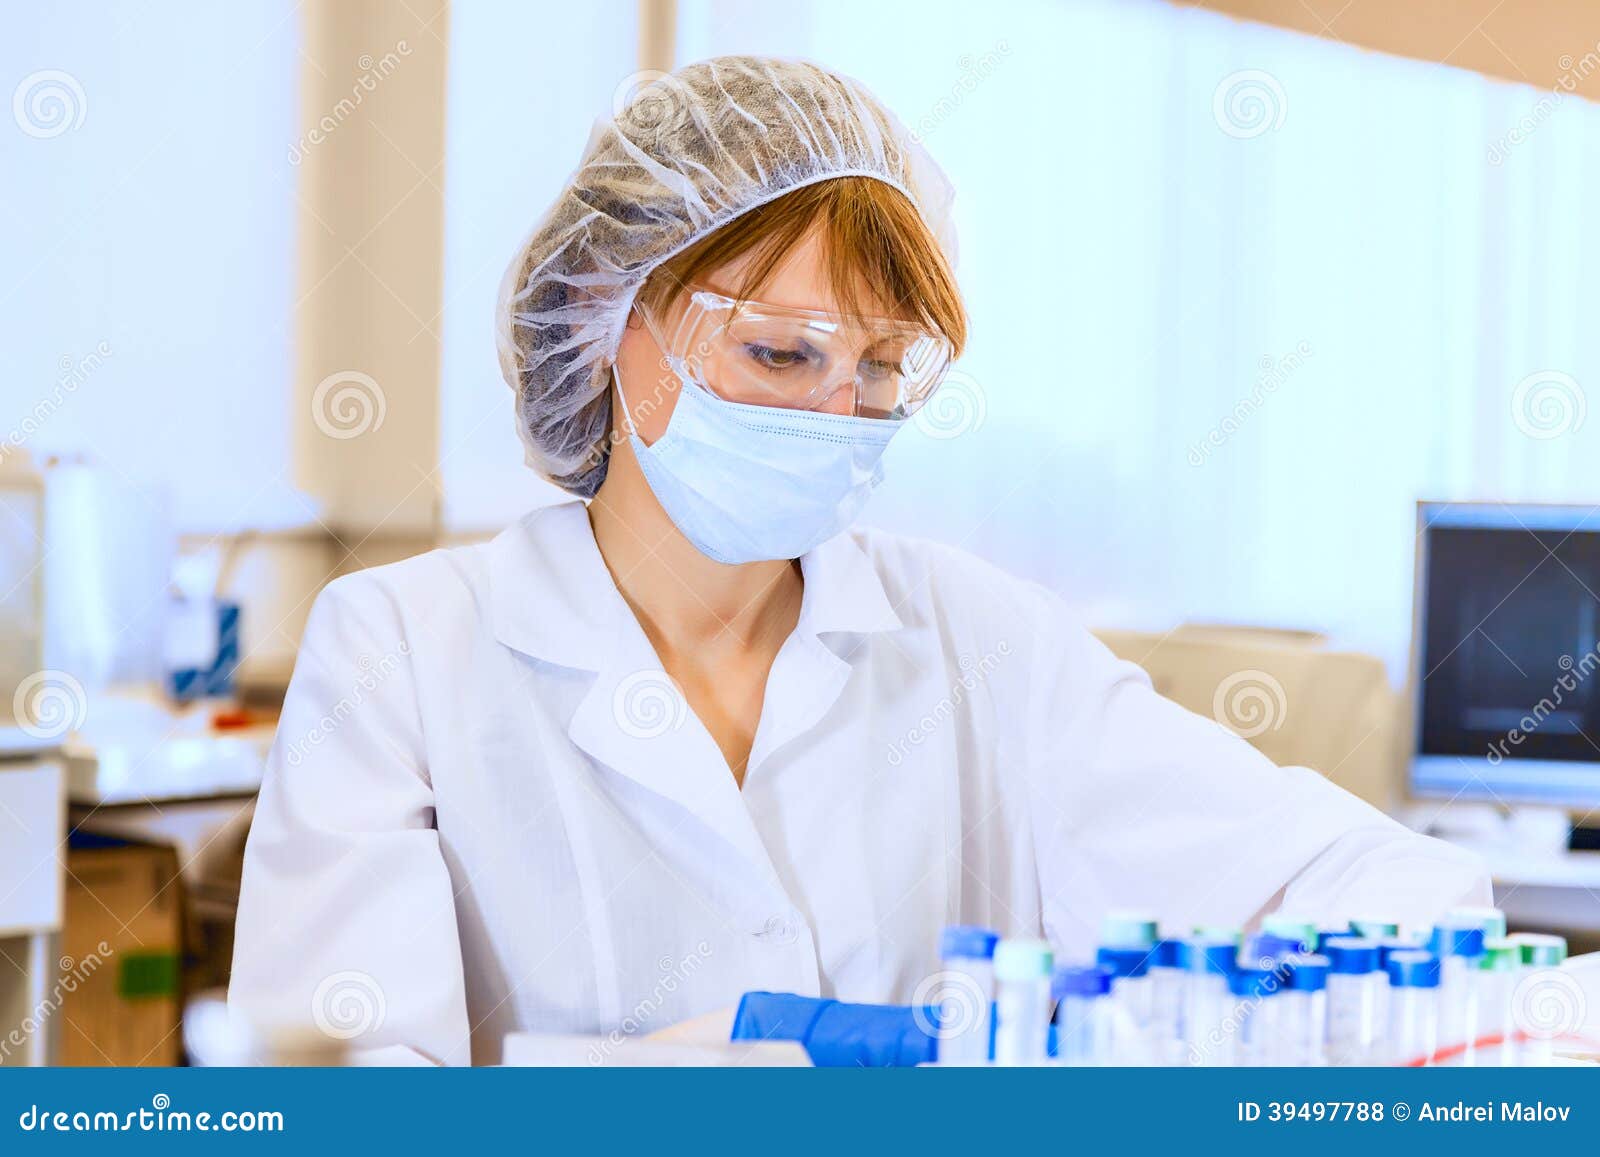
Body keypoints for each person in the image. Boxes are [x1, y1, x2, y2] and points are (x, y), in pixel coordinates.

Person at [230, 56, 1489, 1065]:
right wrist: (664, 1082)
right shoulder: (401, 647)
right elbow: (334, 1084)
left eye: (881, 369)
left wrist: (1155, 1036)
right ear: (607, 321)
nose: (837, 415)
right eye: (781, 354)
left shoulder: (975, 636)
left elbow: (1381, 894)